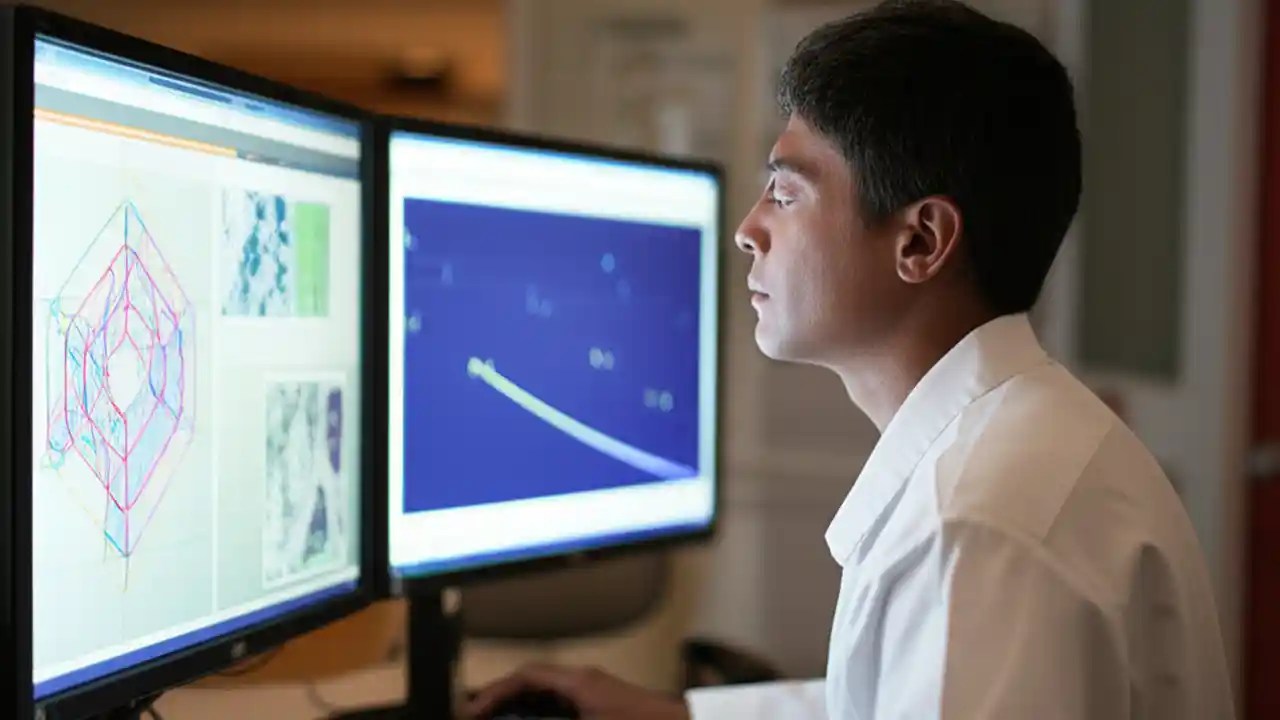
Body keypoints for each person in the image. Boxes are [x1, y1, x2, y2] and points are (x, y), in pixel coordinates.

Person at [466, 1, 1237, 718]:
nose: (747, 229)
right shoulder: (1014, 445)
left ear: (921, 242)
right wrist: (676, 714)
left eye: (785, 193)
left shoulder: (978, 525)